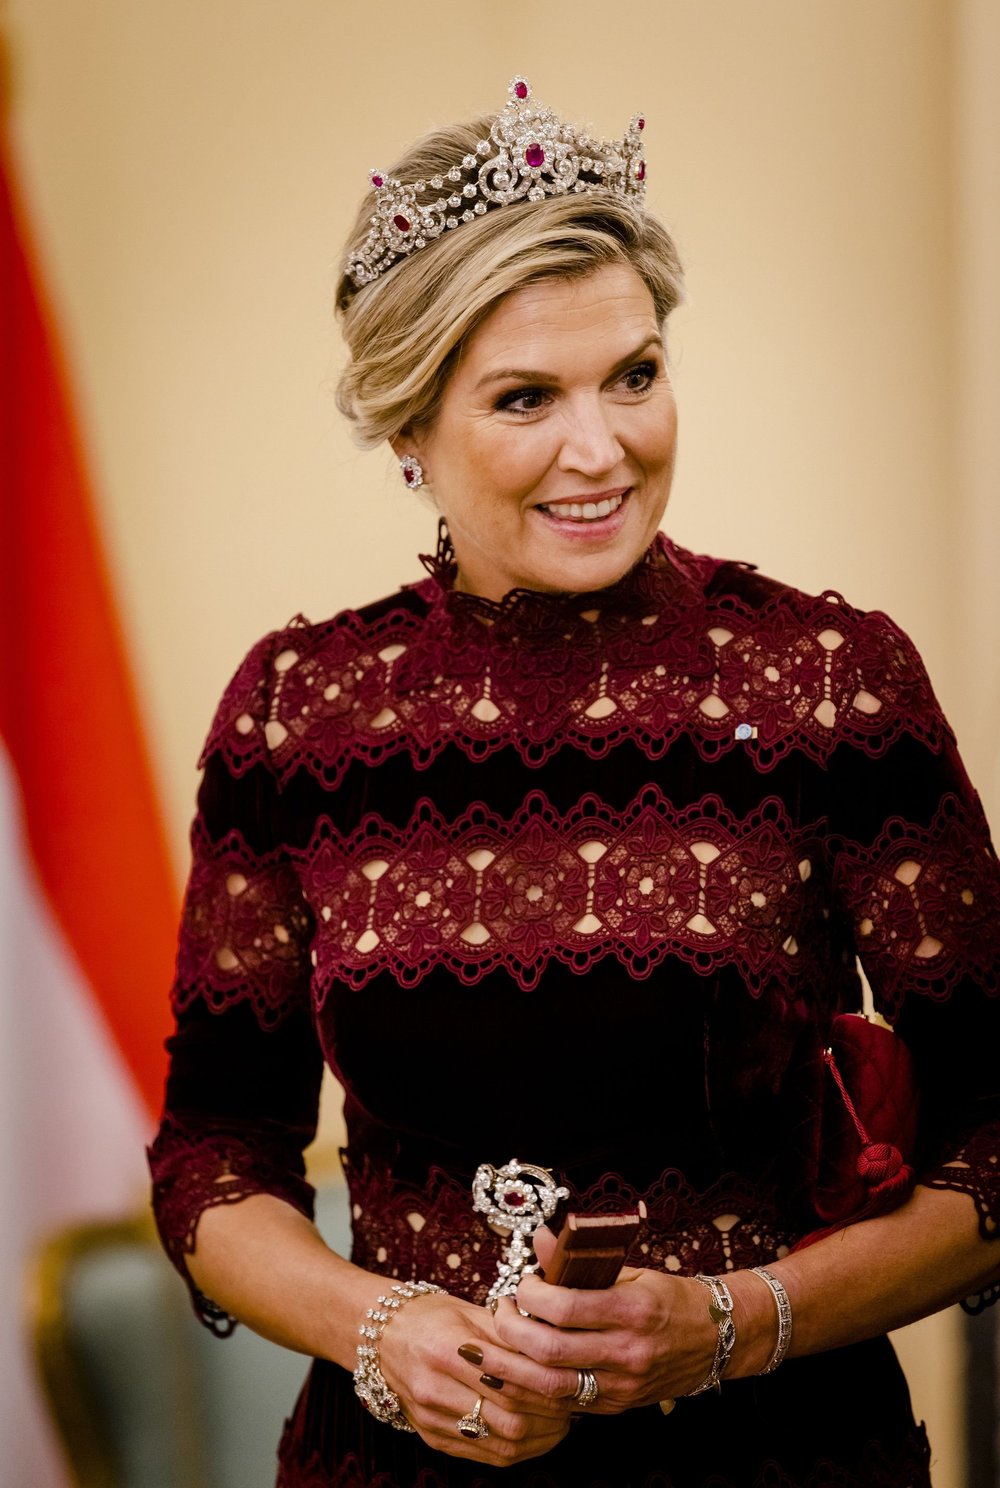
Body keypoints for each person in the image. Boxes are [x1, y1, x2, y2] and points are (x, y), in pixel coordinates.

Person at [148, 76, 1000, 1488]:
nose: (602, 448)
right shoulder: (296, 713)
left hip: (775, 1458)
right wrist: (382, 1331)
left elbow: (995, 1143)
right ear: (409, 430)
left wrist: (731, 1326)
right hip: (396, 1464)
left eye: (636, 376)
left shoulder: (827, 680)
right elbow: (214, 1158)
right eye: (526, 398)